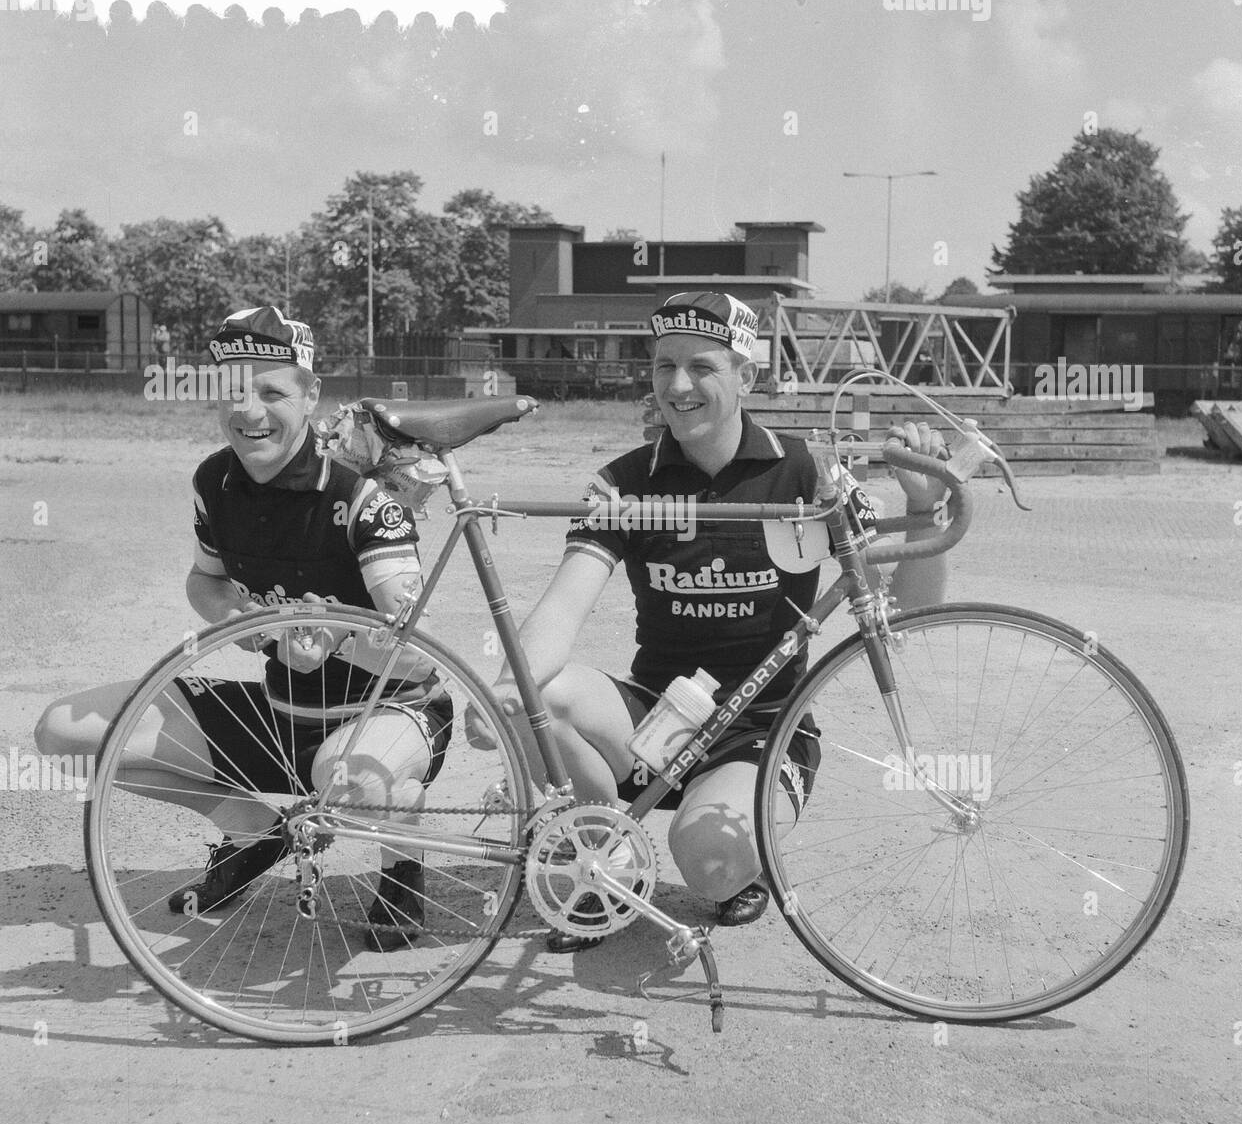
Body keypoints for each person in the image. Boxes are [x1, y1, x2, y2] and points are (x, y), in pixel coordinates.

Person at [472, 291, 950, 952]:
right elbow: (562, 607)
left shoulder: (807, 472)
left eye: (701, 366)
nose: (677, 385)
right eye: (663, 366)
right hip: (656, 723)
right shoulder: (624, 481)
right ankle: (609, 857)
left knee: (710, 861)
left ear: (745, 376)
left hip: (756, 730)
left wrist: (923, 510)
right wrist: (505, 686)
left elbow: (907, 615)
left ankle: (730, 863)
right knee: (536, 696)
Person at [36, 305, 447, 950]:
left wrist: (335, 638)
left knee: (347, 777)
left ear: (311, 396)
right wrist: (244, 625)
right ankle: (254, 831)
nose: (249, 411)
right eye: (233, 390)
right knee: (65, 731)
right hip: (282, 715)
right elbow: (205, 582)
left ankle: (400, 863)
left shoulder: (363, 498)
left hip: (387, 715)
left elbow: (418, 658)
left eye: (272, 391)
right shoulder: (215, 479)